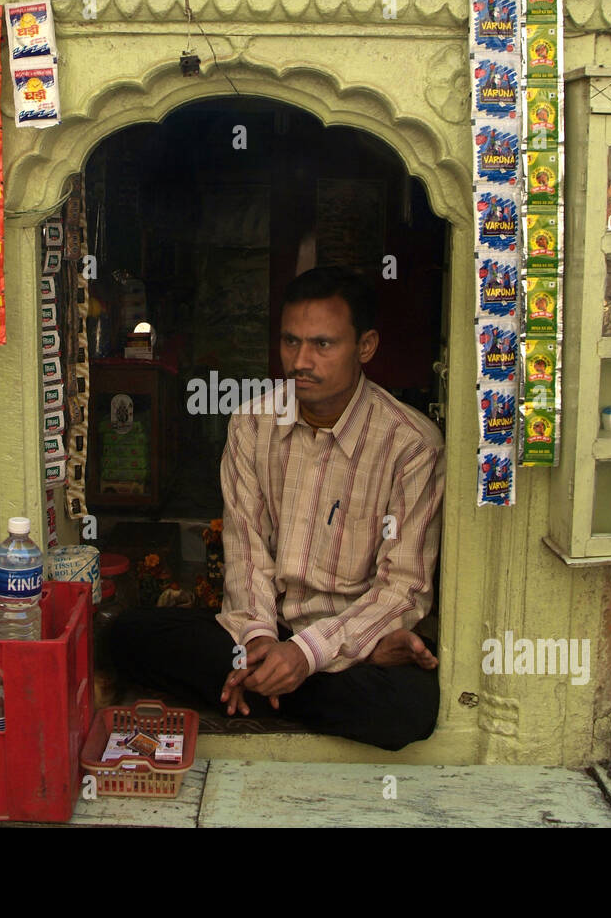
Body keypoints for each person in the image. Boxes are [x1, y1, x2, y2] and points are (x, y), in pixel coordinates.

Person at [110, 266, 445, 751]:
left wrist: (306, 656)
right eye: (290, 342)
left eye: (322, 345)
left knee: (407, 710)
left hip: (346, 636)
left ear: (366, 346)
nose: (300, 361)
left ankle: (263, 686)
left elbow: (403, 589)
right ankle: (268, 680)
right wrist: (262, 644)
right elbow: (246, 553)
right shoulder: (251, 425)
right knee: (127, 636)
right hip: (279, 630)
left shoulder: (411, 446)